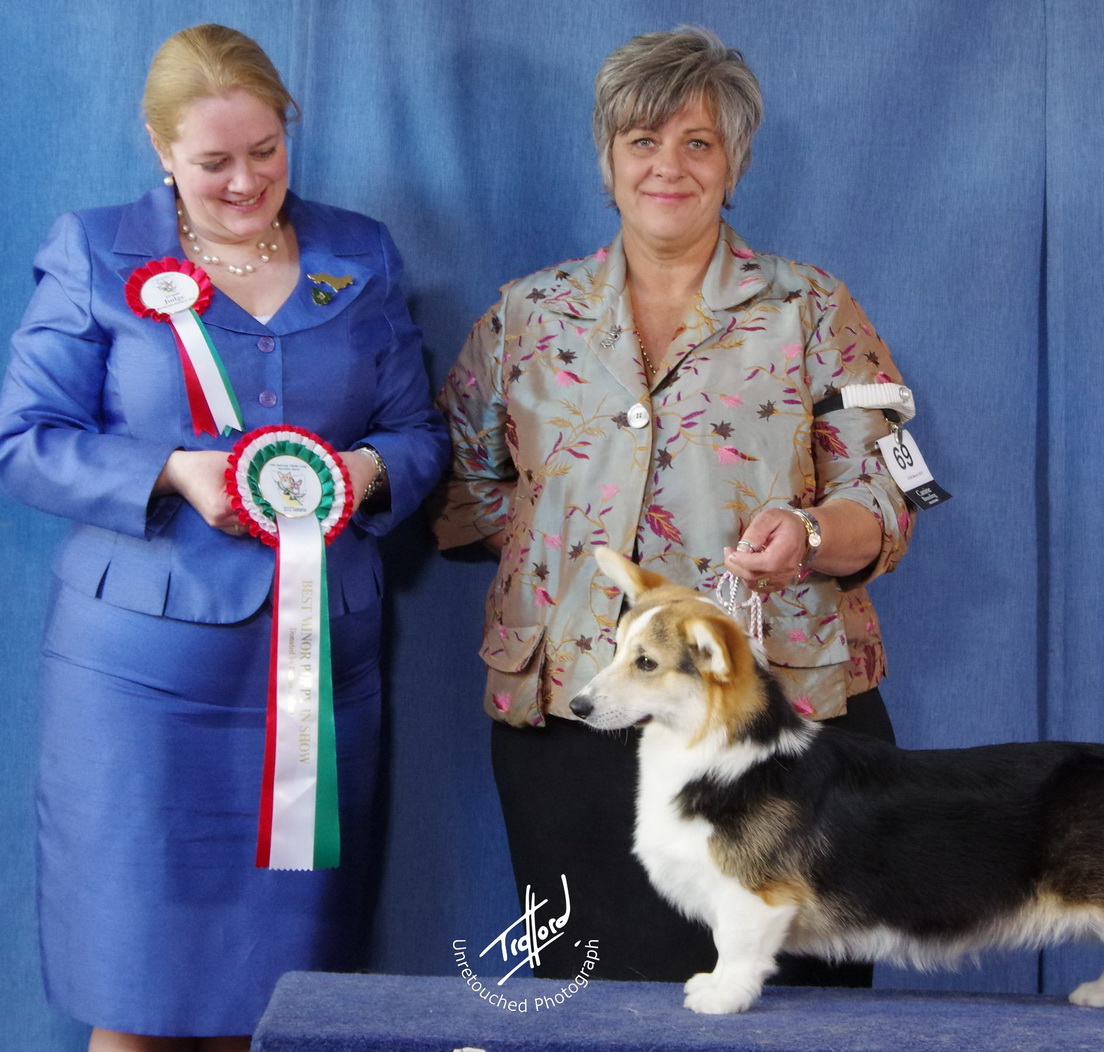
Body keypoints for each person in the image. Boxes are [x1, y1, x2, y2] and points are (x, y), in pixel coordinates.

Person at [433, 27, 915, 985]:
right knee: (595, 1003)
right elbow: (467, 491)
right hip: (575, 718)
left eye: (699, 143)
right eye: (642, 141)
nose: (668, 166)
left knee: (793, 1011)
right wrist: (560, 564)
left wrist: (810, 534)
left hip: (779, 722)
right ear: (607, 161)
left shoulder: (813, 308)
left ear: (734, 165)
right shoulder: (524, 317)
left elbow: (887, 491)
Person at [0, 24, 447, 1052]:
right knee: (140, 993)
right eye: (213, 162)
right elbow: (26, 441)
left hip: (320, 680)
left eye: (265, 151)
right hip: (137, 685)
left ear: (290, 129)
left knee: (280, 1000)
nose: (246, 182)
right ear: (159, 146)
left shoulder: (359, 252)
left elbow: (418, 434)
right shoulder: (95, 250)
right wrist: (169, 470)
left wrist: (363, 473)